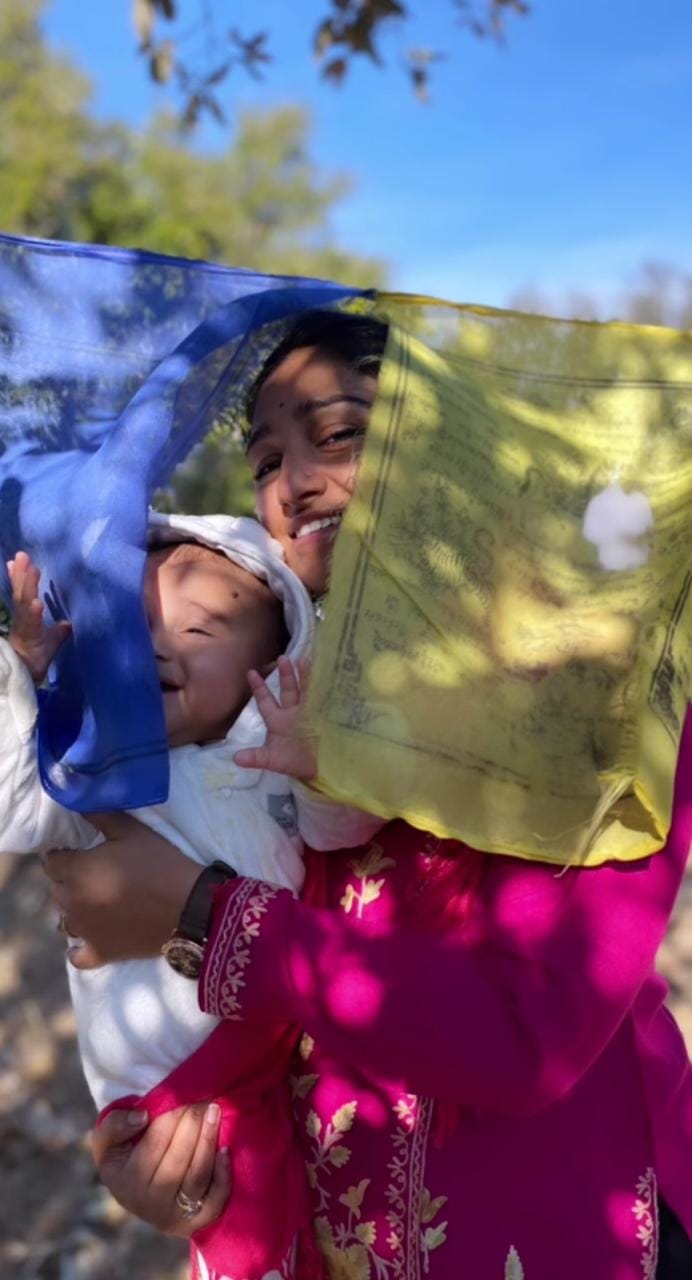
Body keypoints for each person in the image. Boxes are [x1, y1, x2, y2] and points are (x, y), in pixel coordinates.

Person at [44, 311, 692, 1280]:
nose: (291, 483)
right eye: (264, 458)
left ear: (453, 441)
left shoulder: (590, 689)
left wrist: (199, 913)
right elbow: (257, 1034)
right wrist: (177, 1171)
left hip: (568, 1232)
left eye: (339, 433)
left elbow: (526, 1036)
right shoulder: (280, 703)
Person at [2, 506, 380, 1280]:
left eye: (202, 631)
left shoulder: (267, 765)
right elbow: (12, 806)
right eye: (134, 626)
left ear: (274, 665)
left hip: (261, 1045)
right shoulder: (98, 773)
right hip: (169, 1092)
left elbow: (341, 832)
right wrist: (25, 677)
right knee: (245, 1232)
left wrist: (314, 761)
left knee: (284, 1222)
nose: (160, 646)